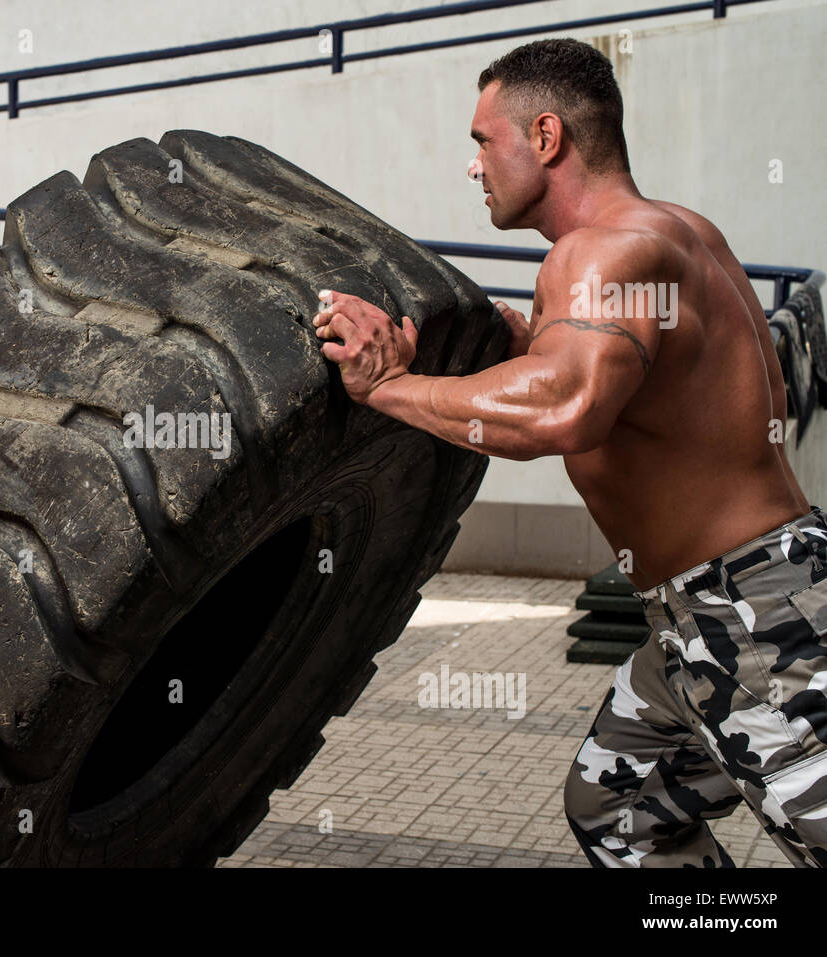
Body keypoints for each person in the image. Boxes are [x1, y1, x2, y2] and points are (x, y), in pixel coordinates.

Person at [311, 36, 827, 867]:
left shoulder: (600, 254)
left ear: (545, 139)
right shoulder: (677, 233)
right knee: (619, 806)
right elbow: (617, 381)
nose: (472, 167)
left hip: (756, 618)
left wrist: (386, 386)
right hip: (706, 613)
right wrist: (533, 339)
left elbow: (566, 406)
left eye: (484, 142)